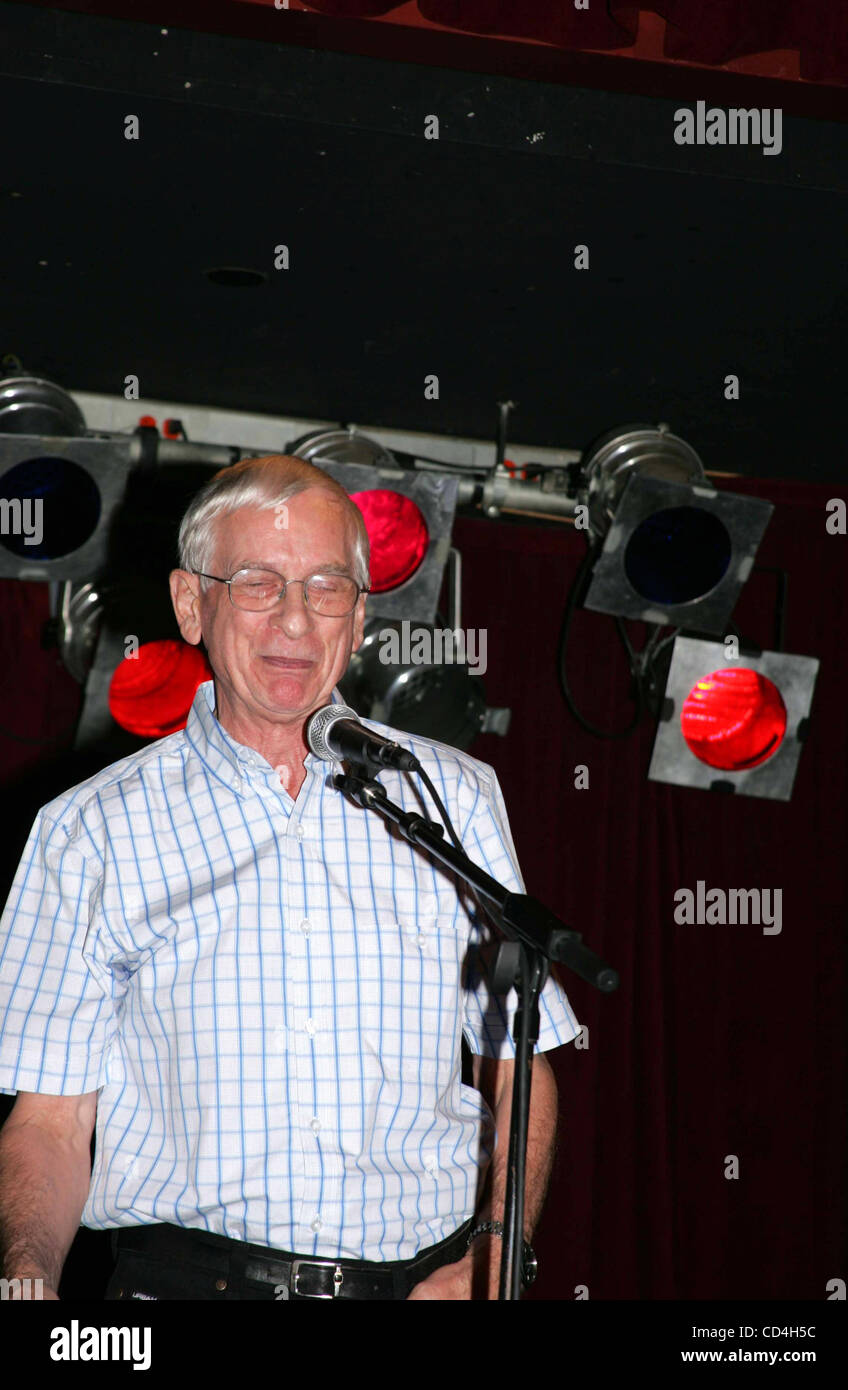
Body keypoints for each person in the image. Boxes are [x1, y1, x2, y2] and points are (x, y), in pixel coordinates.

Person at [0, 454, 581, 1301]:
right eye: (259, 584)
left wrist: (493, 1257)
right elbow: (50, 1122)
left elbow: (516, 1066)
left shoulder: (450, 795)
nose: (297, 622)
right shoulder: (88, 831)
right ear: (191, 604)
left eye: (325, 586)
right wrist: (26, 1276)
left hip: (422, 1283)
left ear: (361, 615)